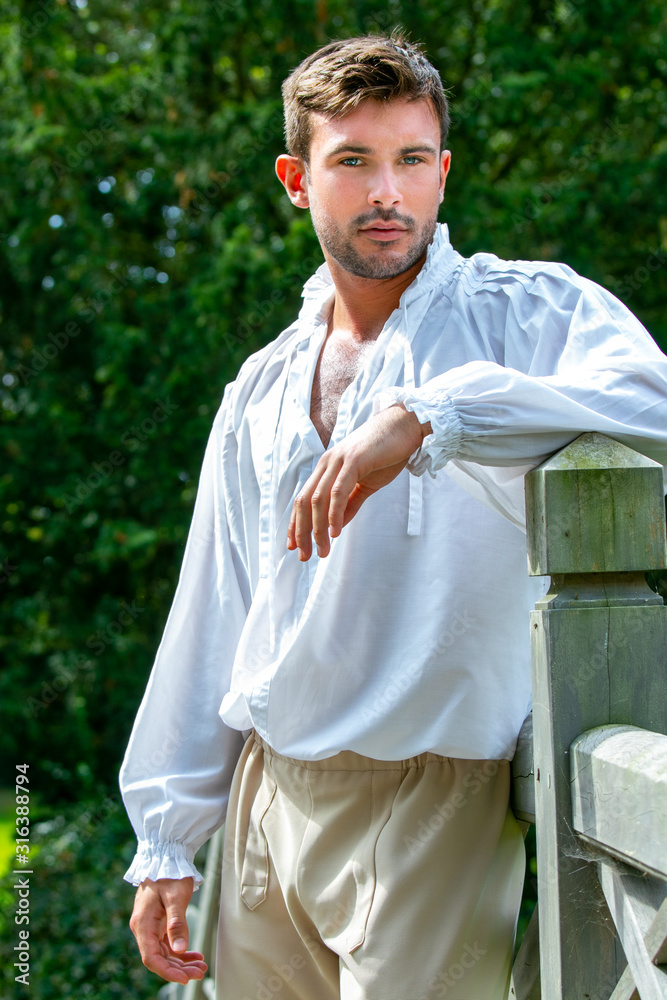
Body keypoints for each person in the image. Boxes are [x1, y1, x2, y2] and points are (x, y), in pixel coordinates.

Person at [119, 32, 667, 1000]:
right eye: (354, 162)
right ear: (297, 179)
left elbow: (651, 401)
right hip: (265, 797)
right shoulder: (261, 385)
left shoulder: (522, 313)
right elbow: (212, 607)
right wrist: (165, 835)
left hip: (433, 796)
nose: (388, 192)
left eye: (412, 160)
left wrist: (431, 413)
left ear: (443, 172)